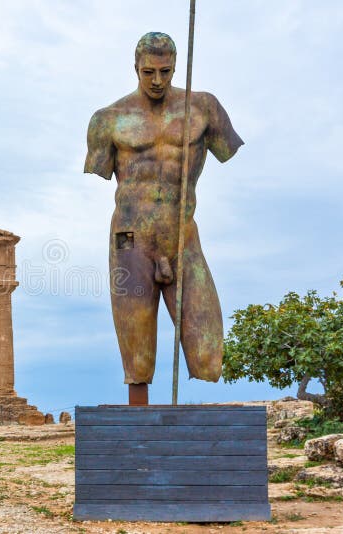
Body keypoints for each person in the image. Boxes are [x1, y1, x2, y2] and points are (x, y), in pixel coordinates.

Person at [84, 32, 243, 390]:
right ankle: (139, 424)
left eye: (166, 71)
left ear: (175, 68)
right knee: (137, 357)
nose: (157, 81)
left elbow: (225, 149)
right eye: (148, 72)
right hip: (130, 238)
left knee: (208, 352)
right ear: (135, 69)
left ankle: (199, 428)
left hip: (180, 233)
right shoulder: (108, 119)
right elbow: (103, 170)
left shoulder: (203, 108)